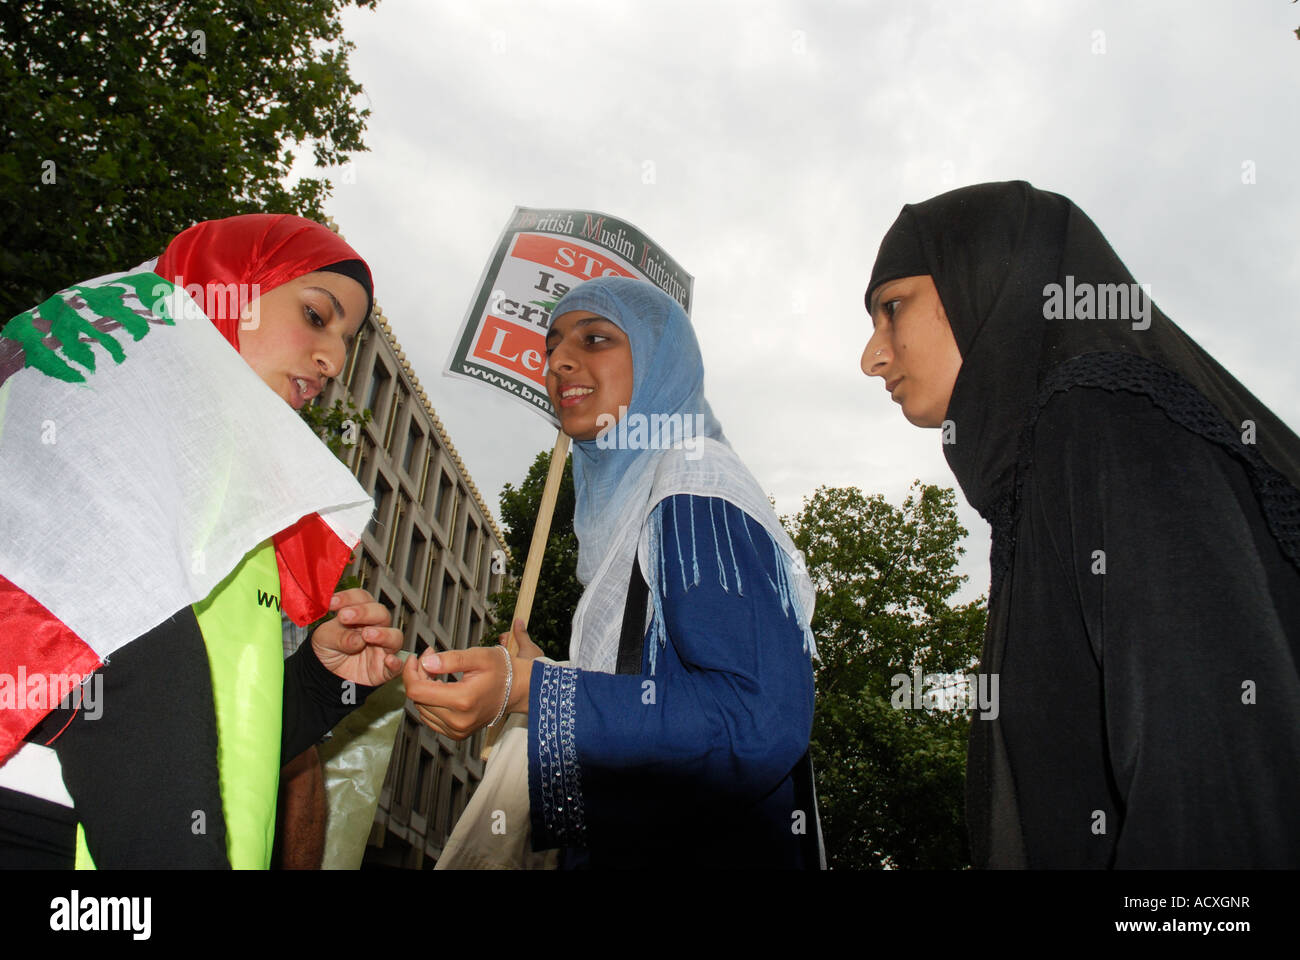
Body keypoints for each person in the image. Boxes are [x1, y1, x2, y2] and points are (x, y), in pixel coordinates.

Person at [860, 180, 1300, 868]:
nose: (872, 356)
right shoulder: (1042, 468)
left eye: (892, 309)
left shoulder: (1105, 421)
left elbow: (1218, 789)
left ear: (985, 276)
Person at [0, 214, 402, 868]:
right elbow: (131, 700)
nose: (334, 359)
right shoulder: (94, 416)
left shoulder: (215, 485)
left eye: (349, 340)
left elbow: (202, 745)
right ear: (224, 288)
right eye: (315, 315)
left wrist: (320, 686)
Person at [404, 276, 822, 868]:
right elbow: (664, 698)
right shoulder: (634, 504)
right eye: (550, 346)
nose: (558, 362)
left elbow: (755, 719)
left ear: (659, 364)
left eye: (595, 338)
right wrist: (540, 674)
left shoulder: (693, 484)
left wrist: (530, 690)